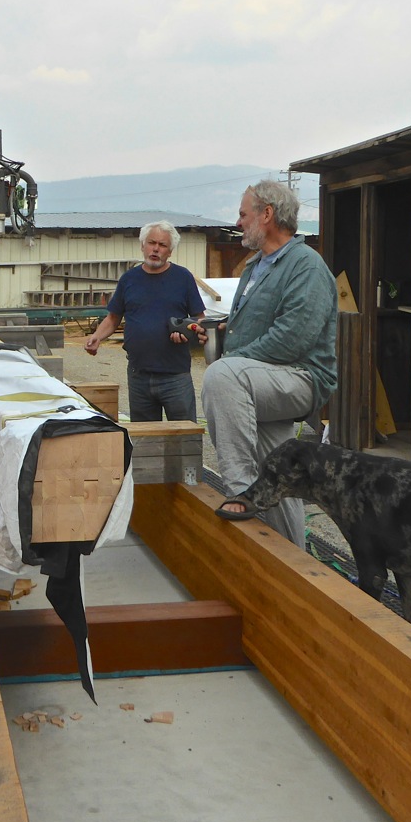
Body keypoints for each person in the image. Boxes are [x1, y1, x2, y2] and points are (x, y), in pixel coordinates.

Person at [199, 180, 337, 549]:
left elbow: (294, 337)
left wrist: (231, 362)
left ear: (267, 214)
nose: (239, 222)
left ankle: (242, 490)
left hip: (301, 378)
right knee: (278, 474)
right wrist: (222, 334)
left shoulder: (306, 265)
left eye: (244, 214)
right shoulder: (255, 267)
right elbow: (258, 325)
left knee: (222, 376)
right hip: (262, 380)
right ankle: (296, 563)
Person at [85, 220, 206, 422]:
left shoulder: (183, 278)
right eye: (152, 243)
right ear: (142, 245)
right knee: (145, 444)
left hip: (175, 376)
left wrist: (186, 333)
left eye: (162, 245)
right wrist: (97, 337)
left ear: (170, 251)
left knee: (185, 440)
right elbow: (114, 317)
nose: (156, 249)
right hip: (138, 376)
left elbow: (199, 320)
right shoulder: (129, 279)